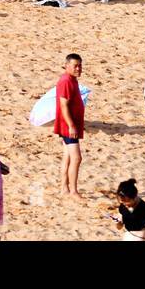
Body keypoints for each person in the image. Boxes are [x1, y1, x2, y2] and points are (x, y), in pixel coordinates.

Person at [55, 53, 85, 198]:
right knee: (76, 158)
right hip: (68, 126)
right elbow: (63, 104)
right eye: (75, 66)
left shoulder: (72, 79)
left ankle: (64, 188)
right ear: (67, 66)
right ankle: (73, 190)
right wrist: (71, 125)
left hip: (69, 125)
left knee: (67, 156)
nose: (78, 68)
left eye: (80, 65)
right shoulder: (66, 80)